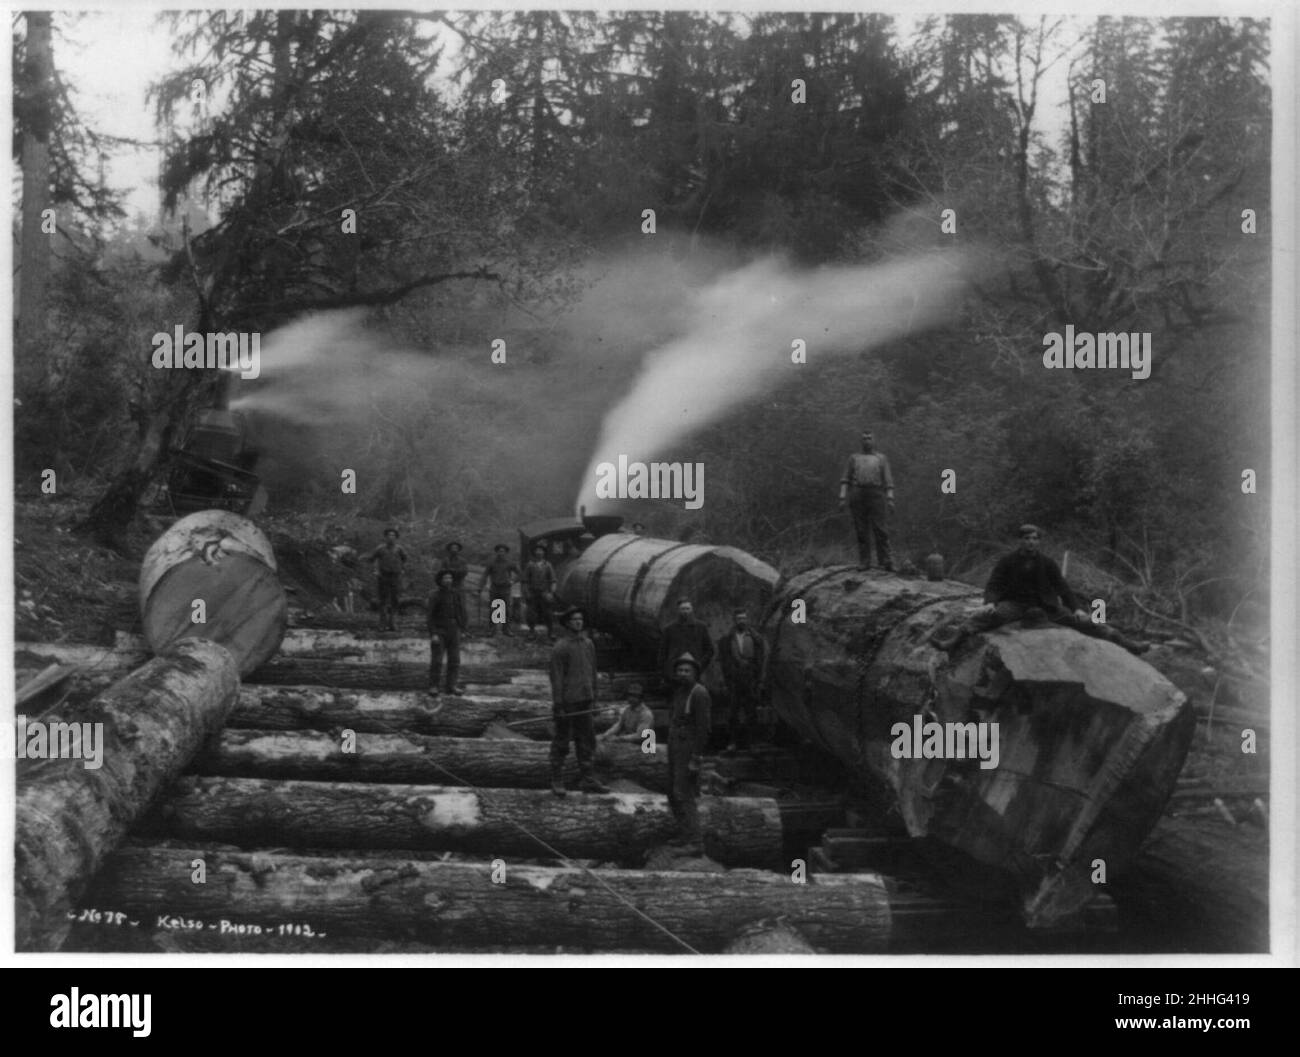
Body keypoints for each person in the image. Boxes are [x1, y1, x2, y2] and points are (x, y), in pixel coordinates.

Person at [931, 524, 1149, 654]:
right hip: (1015, 604)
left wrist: (1077, 608)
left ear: (1039, 541)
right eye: (1027, 539)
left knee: (1089, 623)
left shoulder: (1047, 563)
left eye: (1035, 539)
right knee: (985, 618)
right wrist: (989, 602)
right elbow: (994, 584)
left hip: (1046, 605)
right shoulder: (1007, 561)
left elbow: (1063, 588)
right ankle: (951, 643)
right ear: (1020, 540)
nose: (1031, 543)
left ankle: (1131, 645)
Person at [548, 607, 610, 796]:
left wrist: (595, 699)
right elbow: (556, 678)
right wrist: (559, 705)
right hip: (568, 704)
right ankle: (557, 779)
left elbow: (592, 673)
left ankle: (588, 779)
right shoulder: (560, 647)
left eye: (580, 619)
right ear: (567, 623)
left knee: (587, 742)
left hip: (585, 701)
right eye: (574, 619)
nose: (578, 622)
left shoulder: (588, 644)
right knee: (562, 742)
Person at [666, 652, 712, 852]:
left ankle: (696, 842)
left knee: (684, 794)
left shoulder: (699, 693)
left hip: (688, 747)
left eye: (687, 670)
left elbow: (704, 729)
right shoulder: (679, 691)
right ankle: (684, 834)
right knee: (672, 792)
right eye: (680, 670)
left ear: (695, 673)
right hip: (675, 746)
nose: (683, 674)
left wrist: (696, 758)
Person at [838, 430, 895, 570]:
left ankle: (885, 561)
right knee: (861, 529)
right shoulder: (854, 458)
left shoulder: (881, 458)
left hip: (876, 493)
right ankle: (865, 561)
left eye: (869, 438)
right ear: (860, 441)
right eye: (864, 438)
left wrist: (890, 498)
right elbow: (846, 479)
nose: (867, 441)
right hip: (858, 493)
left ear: (874, 441)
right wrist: (842, 497)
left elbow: (888, 480)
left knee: (880, 529)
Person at [717, 608, 767, 751]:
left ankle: (752, 742)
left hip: (750, 679)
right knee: (733, 712)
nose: (742, 621)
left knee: (751, 711)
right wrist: (728, 676)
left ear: (747, 620)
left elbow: (761, 659)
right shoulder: (727, 639)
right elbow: (724, 660)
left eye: (744, 618)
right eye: (739, 619)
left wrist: (758, 679)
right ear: (735, 620)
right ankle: (733, 741)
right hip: (734, 680)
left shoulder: (755, 638)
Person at [427, 569, 468, 697]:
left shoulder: (456, 594)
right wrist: (433, 633)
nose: (448, 580)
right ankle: (434, 686)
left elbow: (461, 611)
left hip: (454, 630)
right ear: (440, 580)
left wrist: (463, 629)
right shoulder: (435, 595)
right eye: (445, 578)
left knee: (455, 660)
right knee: (437, 660)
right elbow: (430, 616)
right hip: (440, 630)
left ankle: (451, 686)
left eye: (450, 578)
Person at [657, 597, 715, 682]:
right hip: (674, 672)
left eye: (688, 609)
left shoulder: (701, 627)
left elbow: (710, 650)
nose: (685, 611)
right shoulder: (669, 629)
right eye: (682, 609)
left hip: (695, 672)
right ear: (678, 610)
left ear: (692, 610)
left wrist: (700, 665)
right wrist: (665, 671)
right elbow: (662, 652)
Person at [365, 528, 406, 631]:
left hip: (395, 577)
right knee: (383, 600)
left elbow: (404, 559)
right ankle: (382, 624)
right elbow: (372, 559)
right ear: (385, 537)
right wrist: (374, 569)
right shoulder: (380, 549)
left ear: (396, 538)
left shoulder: (399, 549)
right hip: (383, 576)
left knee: (395, 600)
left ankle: (393, 623)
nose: (391, 538)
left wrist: (401, 569)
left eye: (393, 536)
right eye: (389, 535)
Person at [479, 544, 519, 636]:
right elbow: (485, 574)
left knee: (506, 609)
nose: (501, 553)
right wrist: (481, 586)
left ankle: (506, 629)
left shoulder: (510, 563)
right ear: (496, 552)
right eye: (499, 551)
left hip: (505, 589)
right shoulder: (492, 563)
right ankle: (492, 629)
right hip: (494, 588)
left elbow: (520, 574)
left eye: (503, 551)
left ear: (506, 553)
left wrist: (513, 581)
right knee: (494, 608)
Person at [522, 543, 557, 641]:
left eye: (541, 551)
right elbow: (525, 581)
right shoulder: (530, 565)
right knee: (531, 614)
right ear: (534, 553)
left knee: (548, 613)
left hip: (544, 592)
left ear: (544, 553)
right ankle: (531, 631)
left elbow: (553, 580)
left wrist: (551, 593)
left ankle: (551, 632)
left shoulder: (548, 565)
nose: (539, 552)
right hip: (533, 593)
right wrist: (527, 592)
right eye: (537, 551)